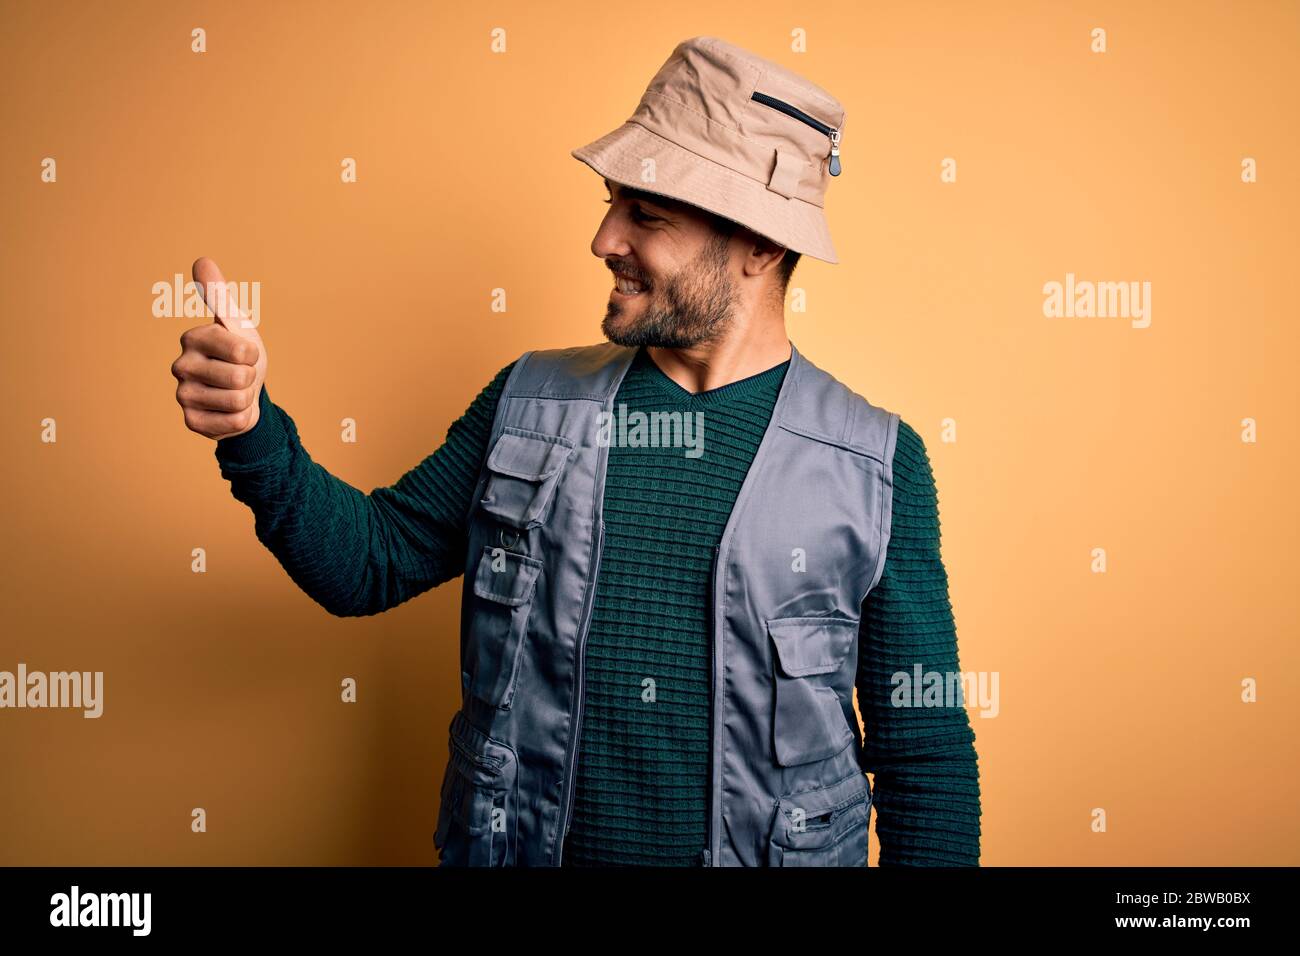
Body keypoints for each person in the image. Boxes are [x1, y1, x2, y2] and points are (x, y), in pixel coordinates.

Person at [171, 35, 980, 867]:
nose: (603, 240)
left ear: (761, 246)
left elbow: (927, 766)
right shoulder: (529, 402)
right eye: (611, 203)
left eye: (647, 214)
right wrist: (251, 431)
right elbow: (367, 564)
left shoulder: (877, 467)